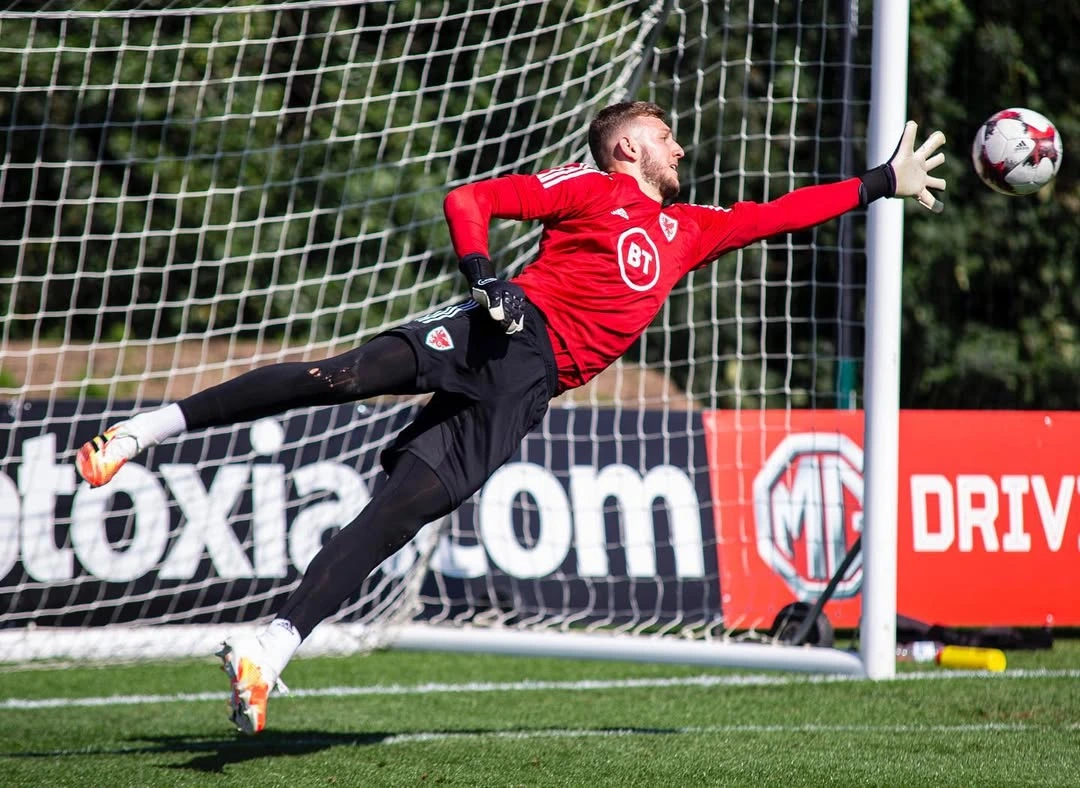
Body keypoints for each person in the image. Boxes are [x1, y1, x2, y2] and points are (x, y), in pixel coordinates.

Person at [74, 101, 946, 734]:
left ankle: (270, 647)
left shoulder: (687, 229)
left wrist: (879, 183)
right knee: (340, 376)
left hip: (529, 391)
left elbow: (776, 213)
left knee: (400, 513)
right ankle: (143, 433)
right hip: (501, 329)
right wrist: (484, 276)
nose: (681, 146)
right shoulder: (591, 190)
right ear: (632, 146)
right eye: (668, 134)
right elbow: (470, 199)